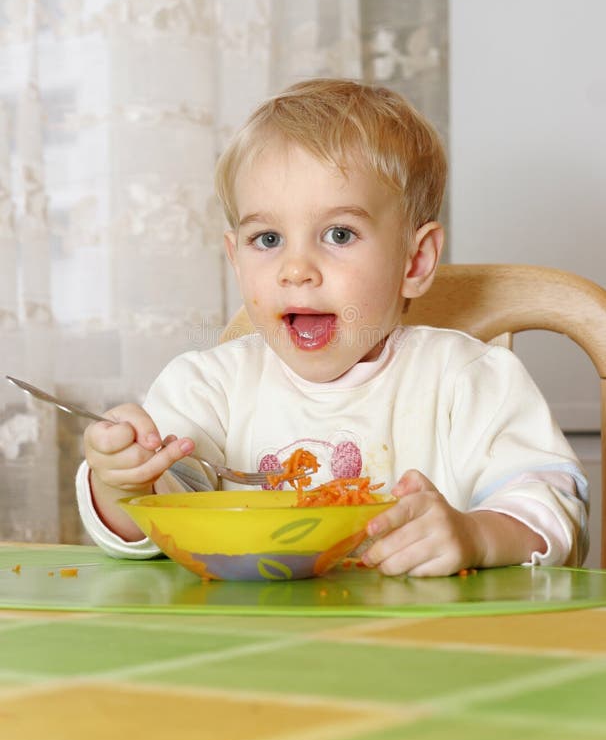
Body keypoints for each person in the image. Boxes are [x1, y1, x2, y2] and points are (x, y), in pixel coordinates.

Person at [76, 78, 589, 575]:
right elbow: (162, 523)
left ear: (414, 260)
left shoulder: (469, 381)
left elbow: (549, 504)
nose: (295, 269)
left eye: (339, 233)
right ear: (235, 259)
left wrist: (477, 535)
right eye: (268, 239)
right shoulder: (206, 389)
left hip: (422, 643)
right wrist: (126, 486)